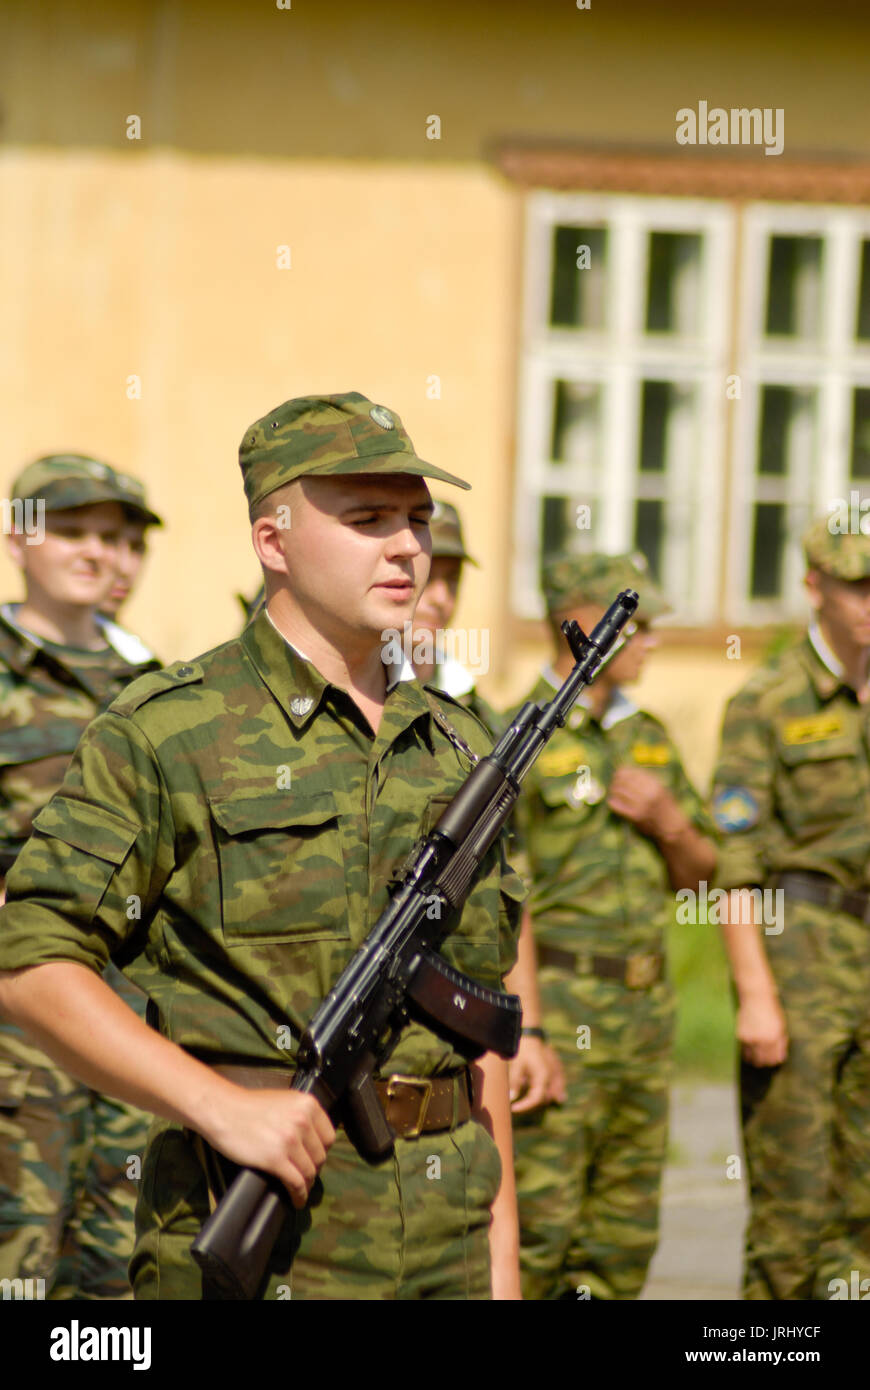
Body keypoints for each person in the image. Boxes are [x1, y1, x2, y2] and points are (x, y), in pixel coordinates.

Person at [0, 392, 526, 1301]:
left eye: (417, 519)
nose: (407, 546)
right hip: (264, 1230)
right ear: (272, 543)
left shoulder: (460, 743)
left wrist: (503, 1267)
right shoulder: (168, 731)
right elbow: (29, 960)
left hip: (447, 1237)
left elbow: (479, 1022)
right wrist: (219, 1108)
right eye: (367, 520)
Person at [509, 551, 716, 1300]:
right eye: (642, 627)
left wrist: (668, 822)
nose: (654, 643)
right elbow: (508, 901)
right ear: (588, 625)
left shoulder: (650, 735)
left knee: (623, 1239)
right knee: (539, 1229)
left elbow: (703, 876)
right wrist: (528, 1030)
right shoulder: (521, 736)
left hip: (645, 1015)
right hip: (564, 1011)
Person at [0, 453, 162, 1298]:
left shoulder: (155, 686)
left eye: (123, 538)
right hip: (15, 1027)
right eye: (74, 530)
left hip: (130, 1026)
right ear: (17, 537)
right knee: (18, 1257)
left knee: (118, 1269)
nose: (103, 553)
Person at [711, 517, 870, 1300]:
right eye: (858, 586)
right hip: (802, 957)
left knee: (863, 1216)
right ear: (816, 587)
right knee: (794, 1212)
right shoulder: (765, 702)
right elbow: (734, 865)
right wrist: (757, 994)